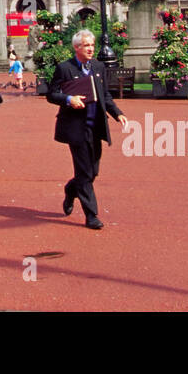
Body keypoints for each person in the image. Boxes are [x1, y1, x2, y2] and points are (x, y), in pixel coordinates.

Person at [47, 29, 129, 229]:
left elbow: (105, 95)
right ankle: (91, 215)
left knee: (92, 172)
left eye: (92, 45)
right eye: (87, 45)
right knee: (84, 173)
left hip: (96, 126)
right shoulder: (65, 68)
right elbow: (51, 94)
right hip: (76, 128)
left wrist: (117, 113)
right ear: (77, 48)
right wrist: (68, 99)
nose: (91, 49)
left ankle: (70, 189)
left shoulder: (98, 67)